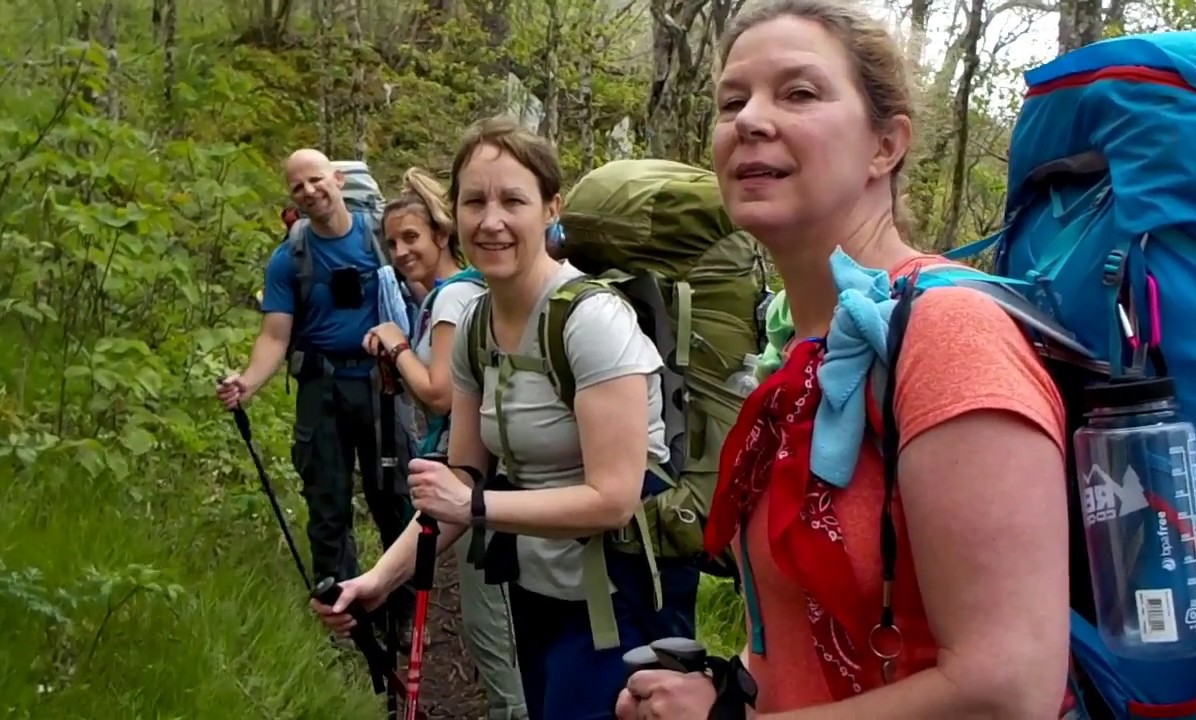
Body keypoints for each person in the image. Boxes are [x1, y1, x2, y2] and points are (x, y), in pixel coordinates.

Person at [617, 0, 1071, 718]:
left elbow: (1007, 690)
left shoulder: (948, 336)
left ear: (885, 145)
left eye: (798, 92)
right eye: (732, 100)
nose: (750, 120)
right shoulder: (798, 346)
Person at [311, 116, 700, 720]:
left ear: (551, 208)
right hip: (537, 592)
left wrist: (477, 506)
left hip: (619, 602)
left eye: (512, 200)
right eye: (474, 201)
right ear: (456, 215)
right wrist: (377, 581)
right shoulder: (473, 327)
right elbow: (462, 480)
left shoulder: (593, 321)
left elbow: (613, 498)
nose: (491, 220)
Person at [358, 167, 529, 720]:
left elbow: (438, 393)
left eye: (412, 237)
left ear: (441, 234)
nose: (401, 251)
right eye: (391, 242)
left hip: (465, 473)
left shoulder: (455, 297)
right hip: (467, 473)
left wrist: (398, 343)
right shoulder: (457, 294)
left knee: (496, 637)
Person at [217, 149, 413, 623]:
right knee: (327, 504)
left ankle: (404, 614)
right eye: (297, 187)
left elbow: (422, 295)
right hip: (320, 389)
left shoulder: (380, 242)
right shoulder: (290, 258)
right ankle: (342, 614)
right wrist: (248, 382)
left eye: (315, 180)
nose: (309, 191)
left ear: (338, 179)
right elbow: (275, 334)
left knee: (395, 498)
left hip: (382, 382)